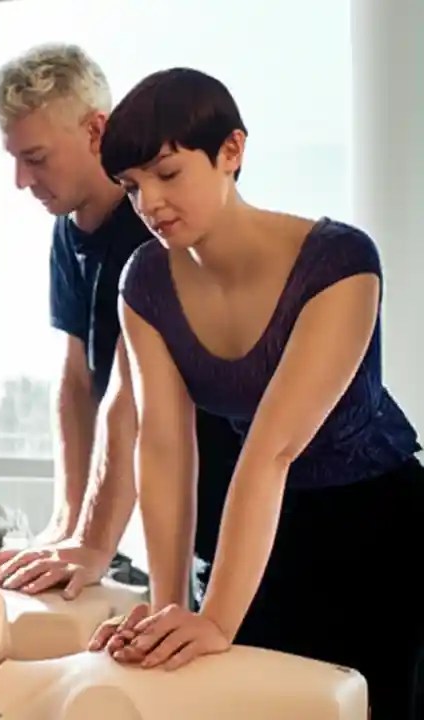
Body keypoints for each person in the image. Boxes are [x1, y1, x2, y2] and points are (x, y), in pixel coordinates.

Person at [87, 67, 424, 718]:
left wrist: (215, 618)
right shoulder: (145, 280)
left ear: (231, 151)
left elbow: (272, 449)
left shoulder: (341, 263)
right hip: (262, 521)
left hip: (379, 523)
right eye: (131, 186)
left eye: (167, 174)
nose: (149, 202)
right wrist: (169, 605)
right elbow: (165, 447)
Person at [0, 44, 242, 604]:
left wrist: (94, 543)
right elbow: (77, 382)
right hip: (189, 512)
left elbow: (131, 398)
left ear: (96, 131)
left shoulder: (159, 229)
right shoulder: (67, 230)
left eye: (36, 157)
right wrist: (66, 523)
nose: (21, 180)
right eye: (15, 159)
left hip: (245, 496)